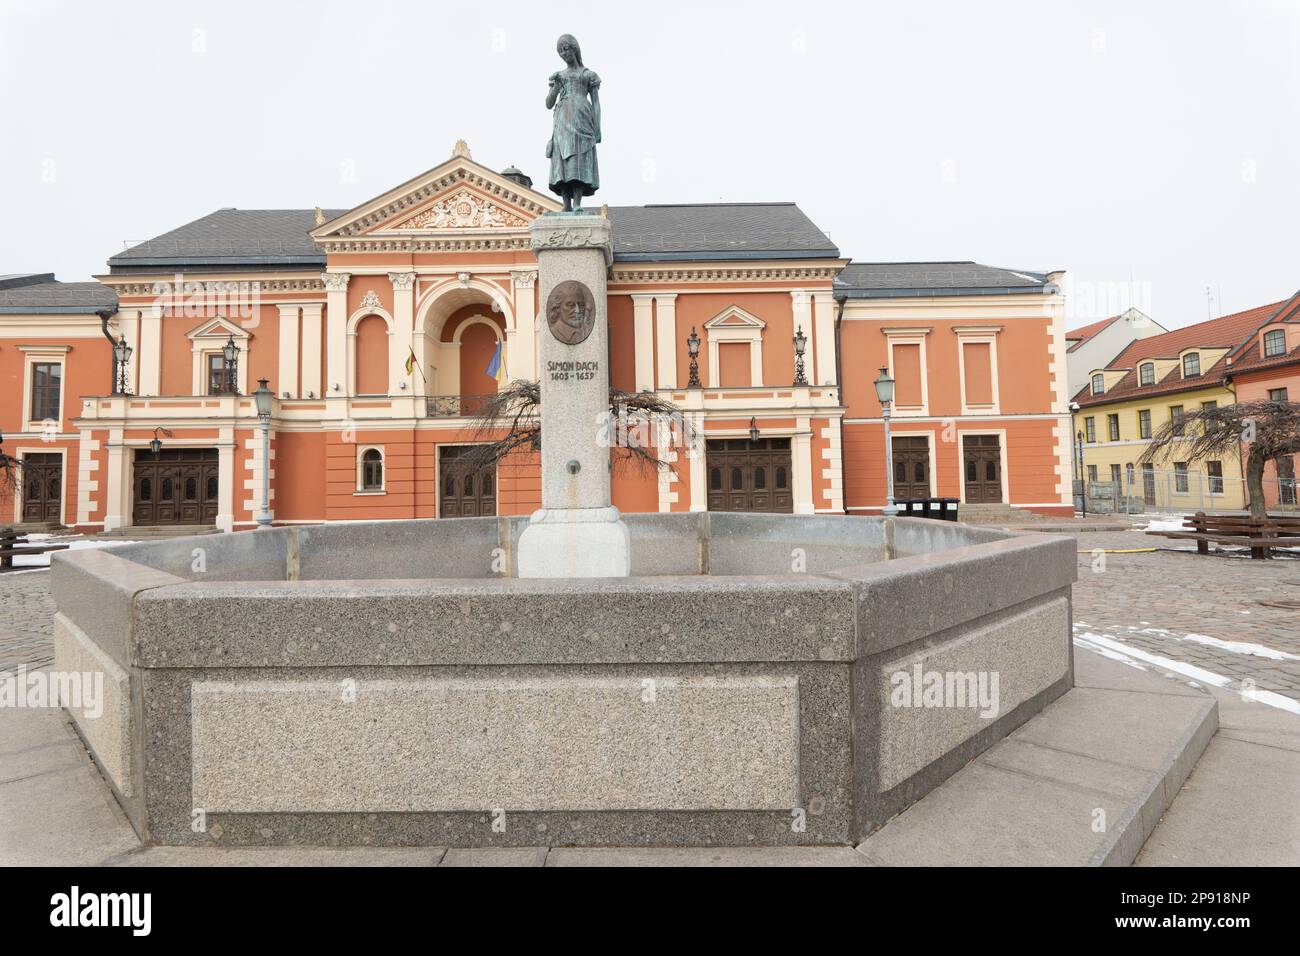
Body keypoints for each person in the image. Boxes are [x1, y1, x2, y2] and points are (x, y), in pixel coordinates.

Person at [545, 34, 601, 212]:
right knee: (561, 158)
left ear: (574, 48)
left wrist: (598, 128)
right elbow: (548, 103)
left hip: (582, 117)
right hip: (562, 119)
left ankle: (577, 203)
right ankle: (566, 204)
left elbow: (596, 103)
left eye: (565, 49)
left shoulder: (588, 75)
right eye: (560, 51)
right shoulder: (559, 76)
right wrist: (555, 86)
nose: (563, 53)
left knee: (579, 157)